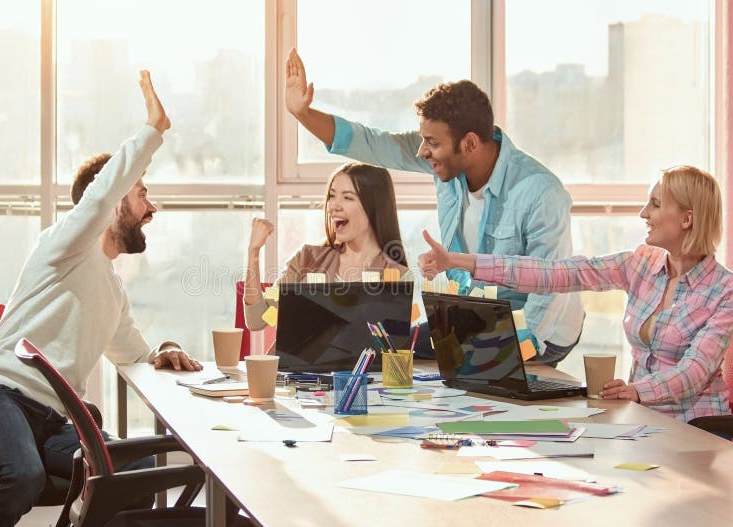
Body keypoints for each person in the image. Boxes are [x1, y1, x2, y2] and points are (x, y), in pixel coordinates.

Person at [0, 71, 203, 527]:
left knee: (137, 474)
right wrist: (153, 130)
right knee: (23, 476)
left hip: (54, 422)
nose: (152, 208)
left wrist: (162, 349)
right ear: (111, 203)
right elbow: (104, 191)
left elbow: (133, 351)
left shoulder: (111, 288)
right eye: (142, 193)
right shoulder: (65, 245)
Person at [283, 48, 584, 367]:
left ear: (469, 144)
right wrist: (303, 114)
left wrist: (510, 356)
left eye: (432, 143)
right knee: (391, 351)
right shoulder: (447, 164)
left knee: (479, 381)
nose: (422, 151)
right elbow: (374, 143)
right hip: (479, 318)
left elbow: (550, 288)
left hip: (540, 330)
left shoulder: (540, 192)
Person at [418, 165, 733, 422]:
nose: (643, 213)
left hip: (695, 427)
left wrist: (637, 391)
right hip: (644, 420)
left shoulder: (724, 291)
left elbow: (695, 370)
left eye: (655, 204)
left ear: (687, 219)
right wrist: (457, 261)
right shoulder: (640, 265)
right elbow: (555, 273)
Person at [244, 162, 408, 331]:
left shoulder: (397, 276)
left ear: (374, 207)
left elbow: (396, 348)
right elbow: (258, 320)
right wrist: (253, 253)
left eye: (347, 197)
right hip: (299, 358)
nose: (333, 206)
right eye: (332, 196)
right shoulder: (306, 260)